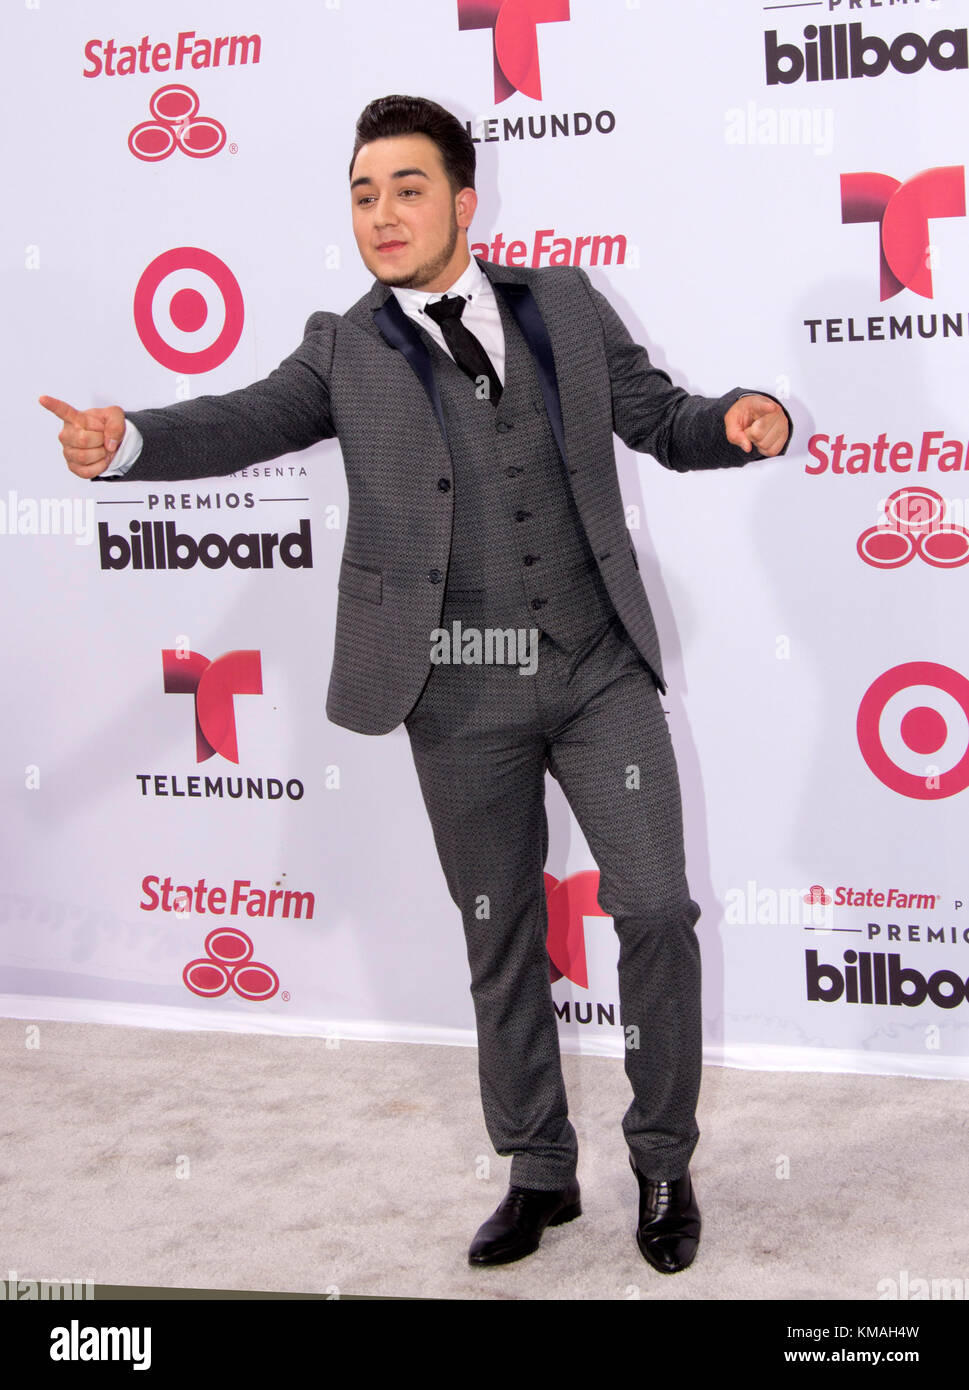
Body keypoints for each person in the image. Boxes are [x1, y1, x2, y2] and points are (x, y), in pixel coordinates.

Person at [40, 93, 791, 1274]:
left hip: (597, 668)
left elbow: (657, 415)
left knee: (653, 908)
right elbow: (241, 420)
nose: (381, 215)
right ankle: (539, 1169)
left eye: (405, 188)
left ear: (463, 202)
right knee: (500, 938)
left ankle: (661, 1161)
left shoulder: (566, 305)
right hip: (456, 690)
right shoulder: (341, 348)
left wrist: (740, 418)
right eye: (361, 193)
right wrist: (127, 440)